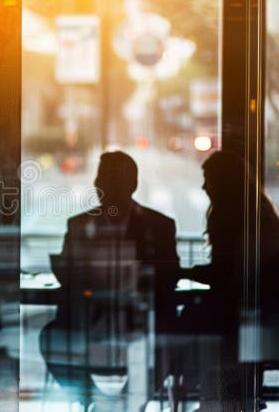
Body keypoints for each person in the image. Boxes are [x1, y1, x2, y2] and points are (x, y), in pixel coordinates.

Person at [40, 151, 181, 410]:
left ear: (131, 185)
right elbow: (171, 276)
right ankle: (100, 402)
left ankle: (116, 404)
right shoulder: (156, 225)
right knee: (51, 337)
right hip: (94, 320)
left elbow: (168, 276)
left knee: (166, 341)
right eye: (101, 179)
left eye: (108, 180)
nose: (101, 187)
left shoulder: (159, 227)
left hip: (137, 320)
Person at [182, 150, 279, 412]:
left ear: (223, 183)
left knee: (195, 320)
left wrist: (182, 273)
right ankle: (234, 398)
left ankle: (212, 397)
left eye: (208, 179)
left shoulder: (231, 218)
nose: (204, 187)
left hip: (261, 323)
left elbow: (223, 274)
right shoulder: (260, 214)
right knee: (211, 319)